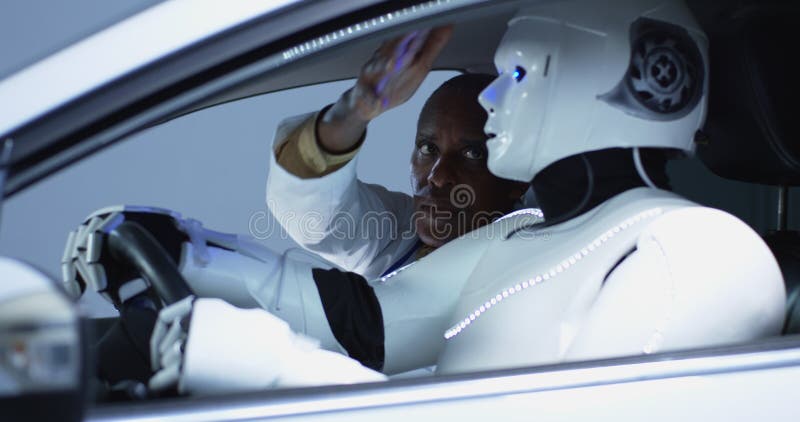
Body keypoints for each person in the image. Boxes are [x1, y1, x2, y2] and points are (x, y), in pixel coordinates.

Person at [74, 0, 785, 394]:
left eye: (517, 75)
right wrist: (185, 251)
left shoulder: (701, 253)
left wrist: (262, 361)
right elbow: (367, 322)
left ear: (598, 85)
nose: (495, 99)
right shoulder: (516, 241)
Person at [266, 26, 529, 280]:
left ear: (519, 177)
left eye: (472, 154)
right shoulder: (397, 234)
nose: (438, 177)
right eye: (428, 149)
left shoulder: (540, 252)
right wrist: (356, 109)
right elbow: (310, 212)